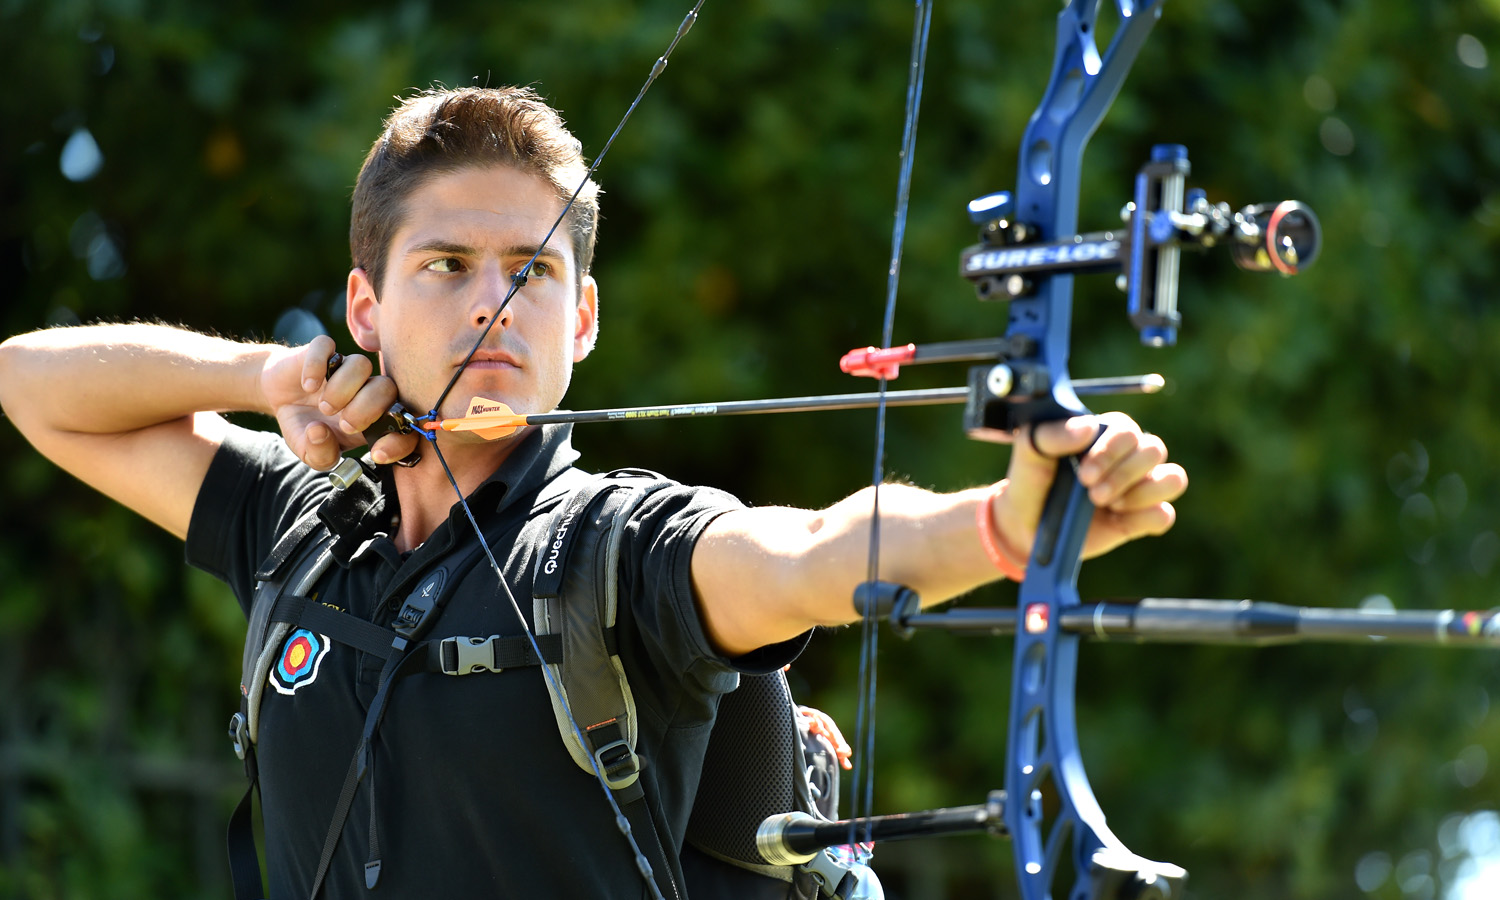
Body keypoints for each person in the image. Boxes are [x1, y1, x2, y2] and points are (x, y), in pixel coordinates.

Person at [0, 86, 1186, 897]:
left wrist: (1004, 523)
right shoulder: (297, 523)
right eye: (446, 265)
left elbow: (810, 554)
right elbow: (31, 385)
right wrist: (264, 377)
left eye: (534, 271)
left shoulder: (616, 547)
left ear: (583, 318)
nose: (492, 304)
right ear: (367, 308)